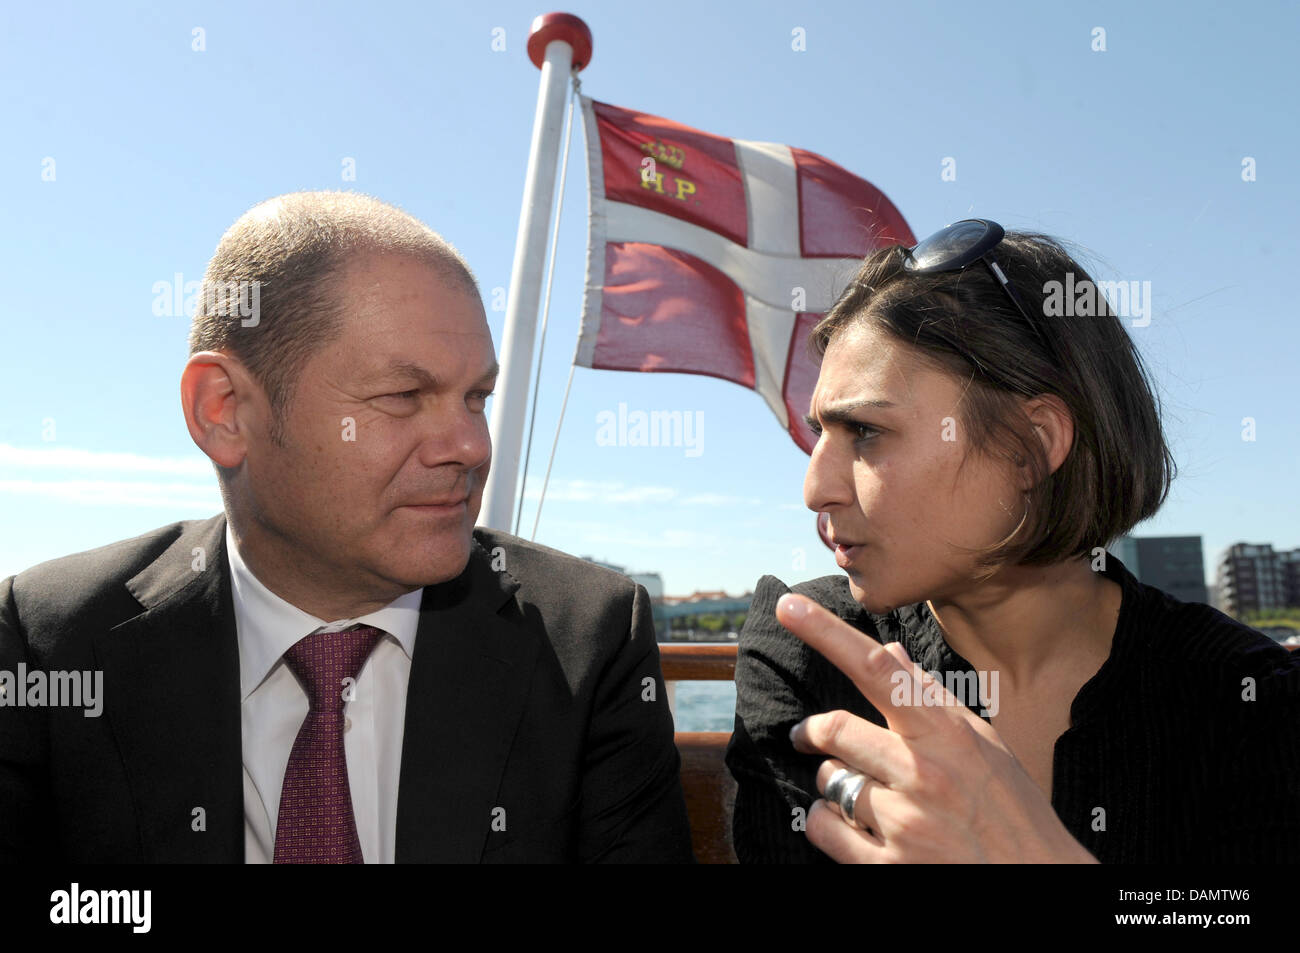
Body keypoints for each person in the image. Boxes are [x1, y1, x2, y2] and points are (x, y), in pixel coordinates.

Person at [0, 191, 693, 863]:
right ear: (223, 410)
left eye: (475, 397)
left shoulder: (590, 639)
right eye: (402, 396)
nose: (472, 447)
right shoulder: (49, 641)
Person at [725, 219, 1300, 863]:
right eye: (819, 436)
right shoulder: (810, 652)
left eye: (864, 431)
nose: (814, 487)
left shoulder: (1253, 698)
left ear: (1032, 446)